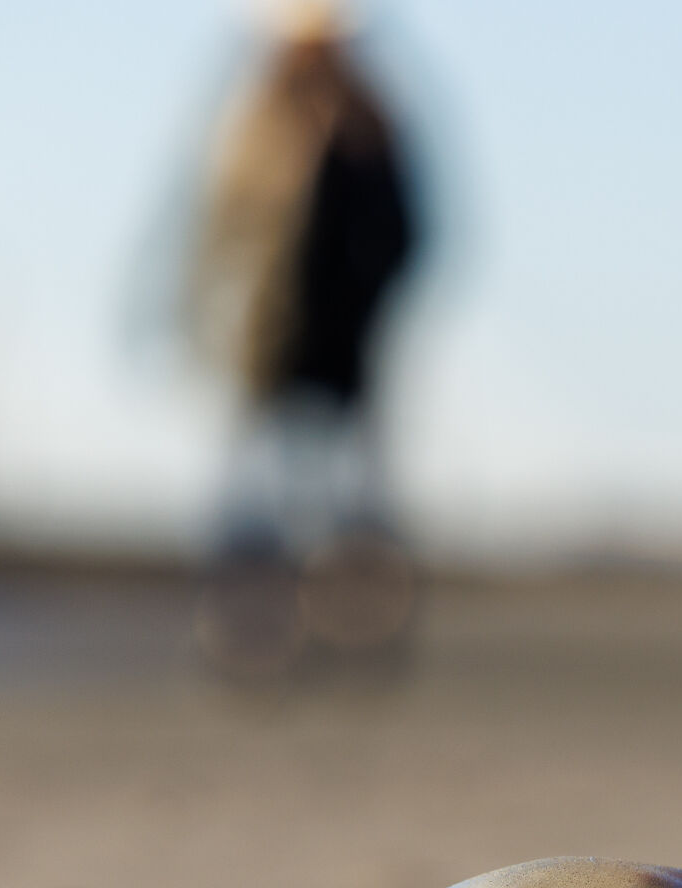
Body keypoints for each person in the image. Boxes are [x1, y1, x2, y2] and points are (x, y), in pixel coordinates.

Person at [181, 1, 421, 678]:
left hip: (348, 346)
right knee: (255, 503)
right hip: (267, 347)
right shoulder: (251, 126)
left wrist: (368, 295)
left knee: (353, 507)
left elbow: (406, 233)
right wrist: (207, 314)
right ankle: (251, 640)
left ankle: (356, 638)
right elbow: (217, 232)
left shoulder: (373, 129)